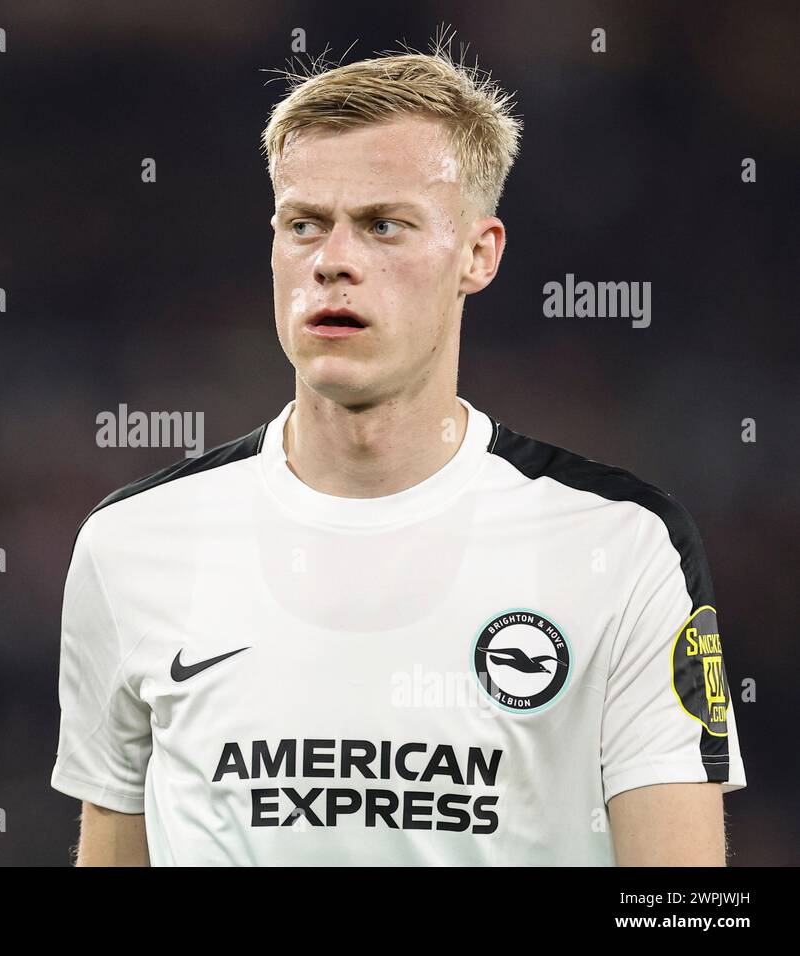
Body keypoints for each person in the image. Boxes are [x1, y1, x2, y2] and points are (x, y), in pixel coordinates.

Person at [49, 40, 745, 866]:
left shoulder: (621, 547)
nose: (333, 261)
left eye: (385, 225)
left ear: (478, 255)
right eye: (303, 225)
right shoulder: (131, 545)